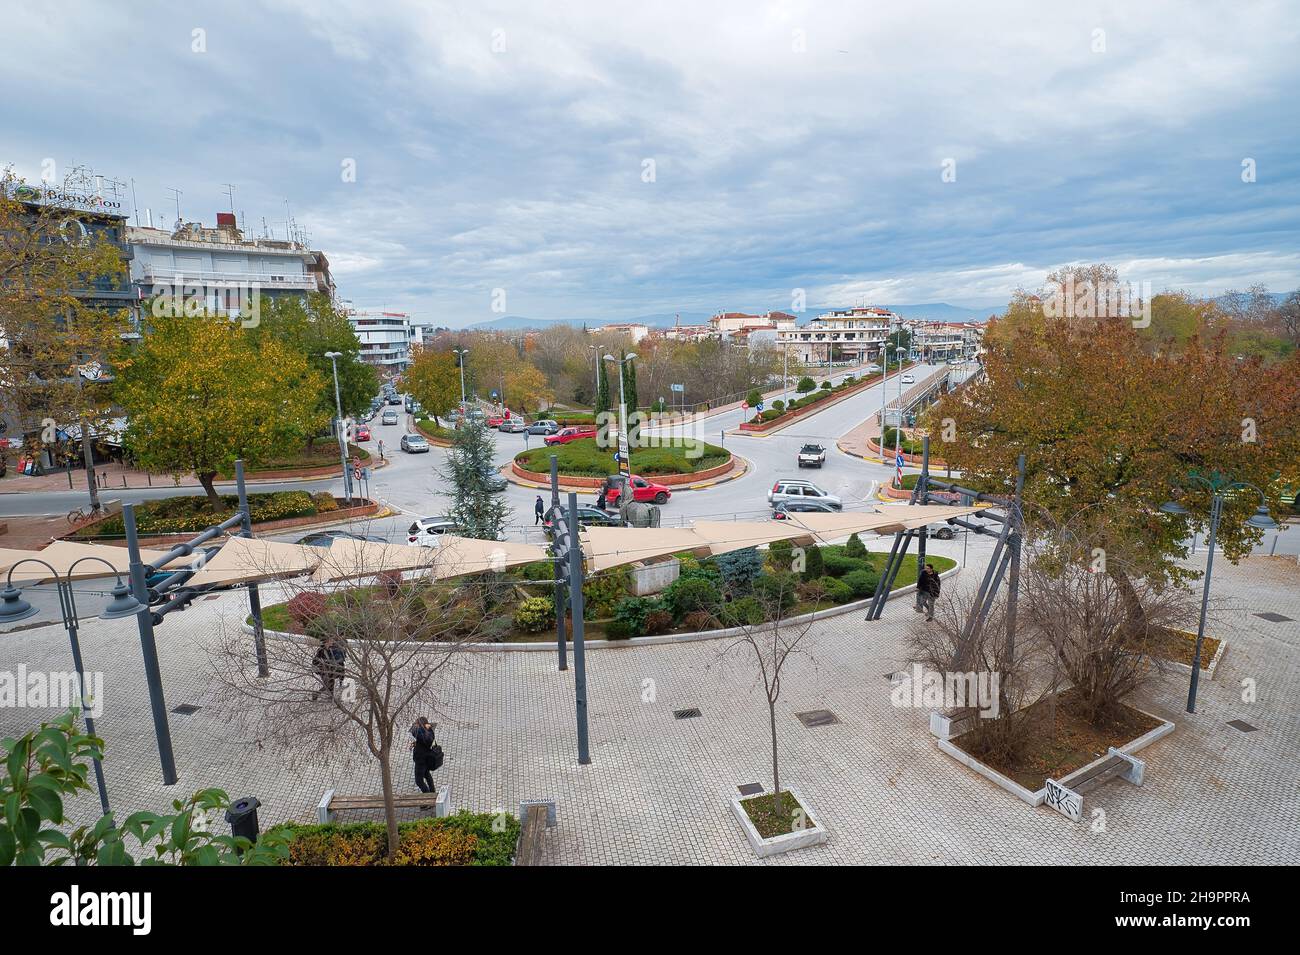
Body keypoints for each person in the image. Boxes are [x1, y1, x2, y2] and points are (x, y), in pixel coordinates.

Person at [411, 717, 438, 800]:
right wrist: (416, 743)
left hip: (420, 760)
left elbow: (414, 732)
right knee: (427, 775)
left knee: (419, 781)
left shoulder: (422, 734)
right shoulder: (429, 732)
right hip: (426, 758)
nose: (416, 725)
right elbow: (425, 742)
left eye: (417, 724)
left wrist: (417, 728)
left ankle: (428, 797)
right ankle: (433, 793)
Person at [312, 636, 346, 700]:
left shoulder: (329, 650)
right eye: (329, 641)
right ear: (325, 643)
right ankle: (316, 694)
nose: (331, 642)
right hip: (321, 669)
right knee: (327, 683)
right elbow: (316, 660)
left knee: (331, 680)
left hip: (329, 669)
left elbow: (333, 659)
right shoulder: (321, 650)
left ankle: (331, 696)